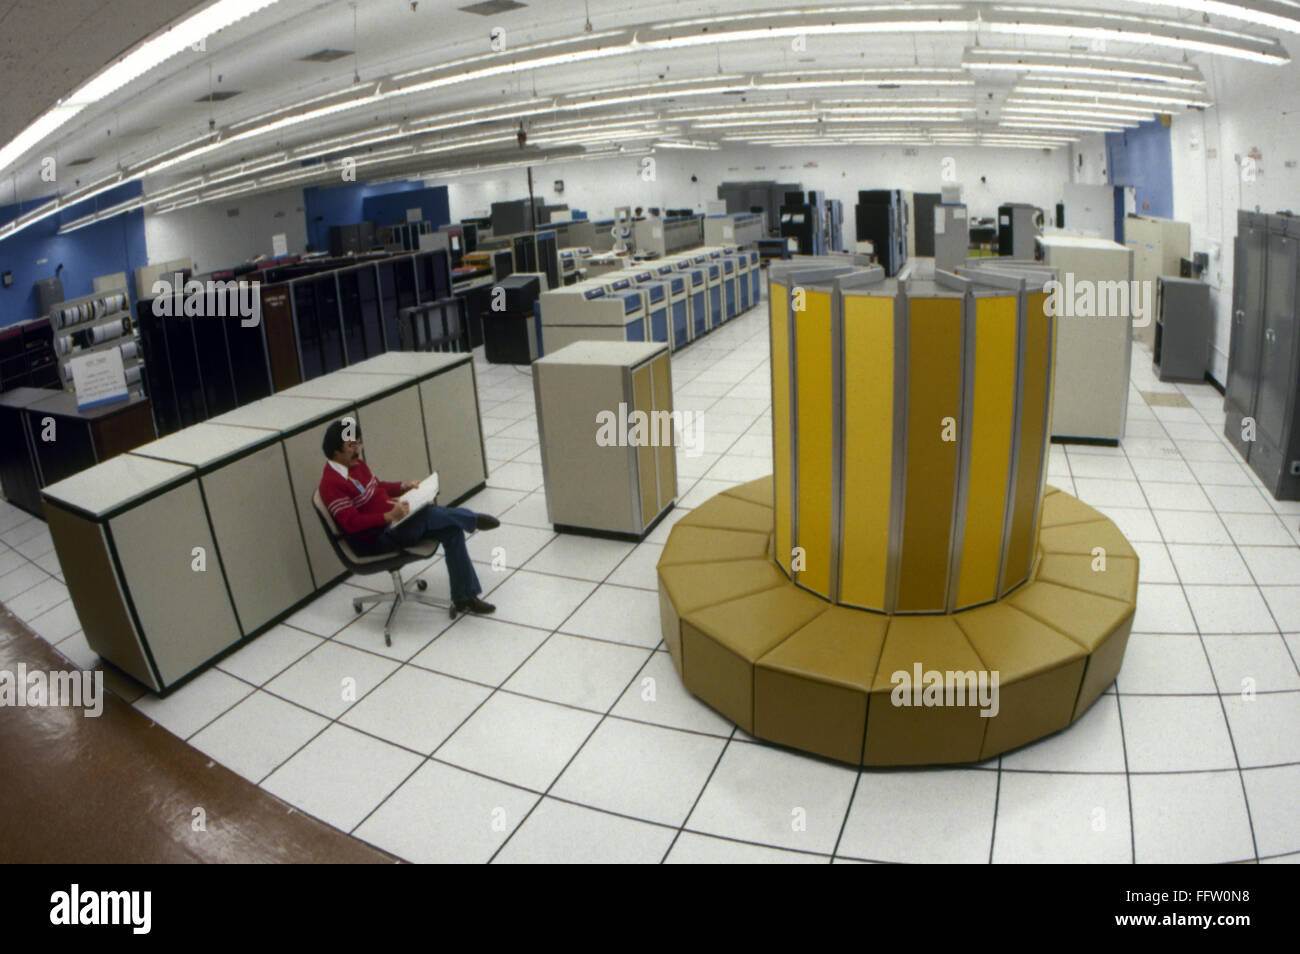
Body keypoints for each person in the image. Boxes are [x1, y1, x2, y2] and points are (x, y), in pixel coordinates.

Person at [318, 419, 498, 616]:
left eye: (359, 443)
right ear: (336, 451)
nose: (358, 450)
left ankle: (465, 598)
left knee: (452, 531)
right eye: (352, 445)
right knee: (428, 514)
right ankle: (472, 519)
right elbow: (351, 524)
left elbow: (378, 487)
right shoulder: (330, 484)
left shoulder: (355, 465)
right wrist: (387, 516)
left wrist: (404, 487)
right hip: (374, 538)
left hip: (394, 522)